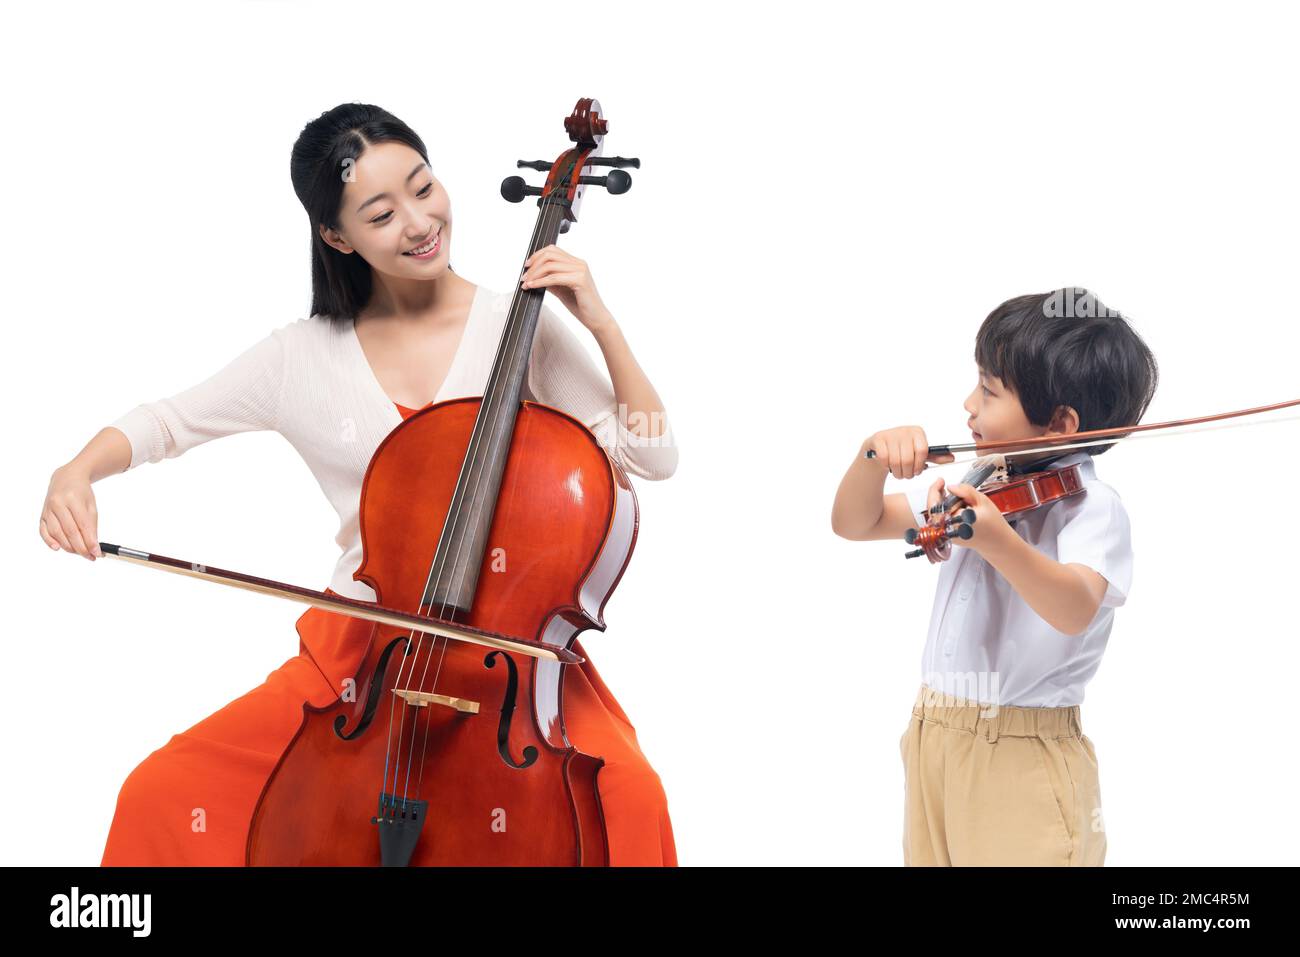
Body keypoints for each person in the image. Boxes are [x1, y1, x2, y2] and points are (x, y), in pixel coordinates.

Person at [39, 102, 679, 866]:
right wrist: (74, 471)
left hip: (507, 661)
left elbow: (654, 454)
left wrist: (602, 322)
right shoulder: (302, 358)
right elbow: (167, 422)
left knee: (633, 795)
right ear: (337, 237)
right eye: (382, 213)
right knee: (159, 790)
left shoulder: (520, 322)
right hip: (360, 663)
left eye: (423, 186)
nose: (418, 221)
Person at [831, 287, 1157, 866]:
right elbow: (856, 522)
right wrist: (871, 457)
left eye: (989, 390)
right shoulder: (985, 482)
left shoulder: (1092, 507)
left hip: (1022, 754)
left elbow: (1074, 606)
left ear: (1061, 424)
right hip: (934, 734)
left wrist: (997, 541)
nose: (968, 405)